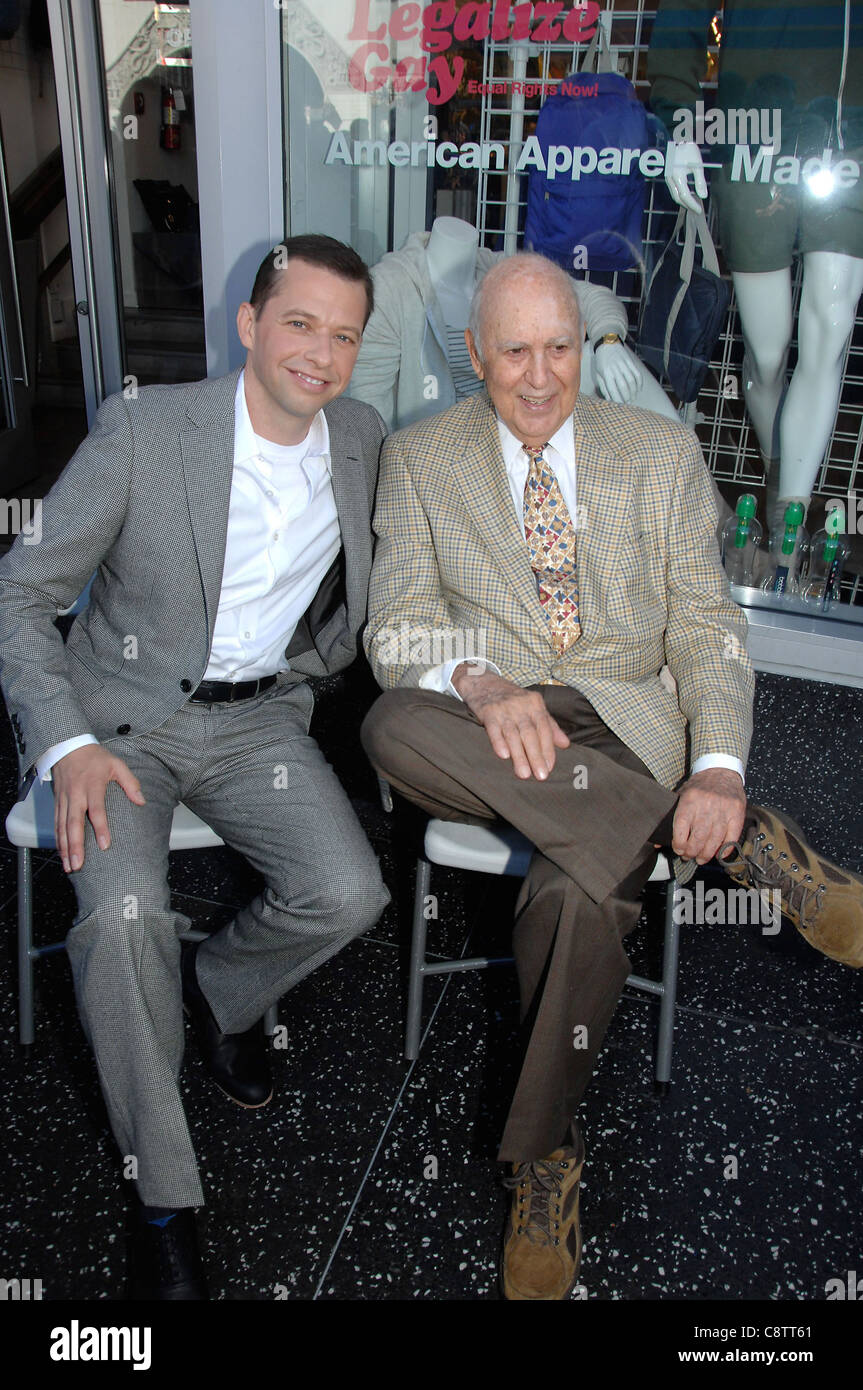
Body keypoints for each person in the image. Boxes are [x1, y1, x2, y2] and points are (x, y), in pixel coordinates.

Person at [360, 252, 863, 1301]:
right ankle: (755, 848)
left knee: (575, 894)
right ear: (473, 354)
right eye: (513, 351)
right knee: (386, 724)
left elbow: (708, 625)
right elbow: (395, 619)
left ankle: (541, 1161)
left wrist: (716, 766)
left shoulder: (658, 450)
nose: (538, 376)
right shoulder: (417, 456)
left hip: (623, 718)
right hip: (484, 728)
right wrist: (485, 681)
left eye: (558, 348)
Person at [0, 234, 390, 1300]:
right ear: (251, 323)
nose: (319, 351)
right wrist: (66, 741)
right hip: (120, 722)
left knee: (350, 891)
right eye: (299, 322)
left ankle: (216, 990)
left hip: (257, 722)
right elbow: (20, 593)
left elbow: (370, 598)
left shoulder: (359, 440)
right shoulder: (146, 430)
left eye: (343, 334)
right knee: (122, 918)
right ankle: (162, 1198)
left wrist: (309, 686)